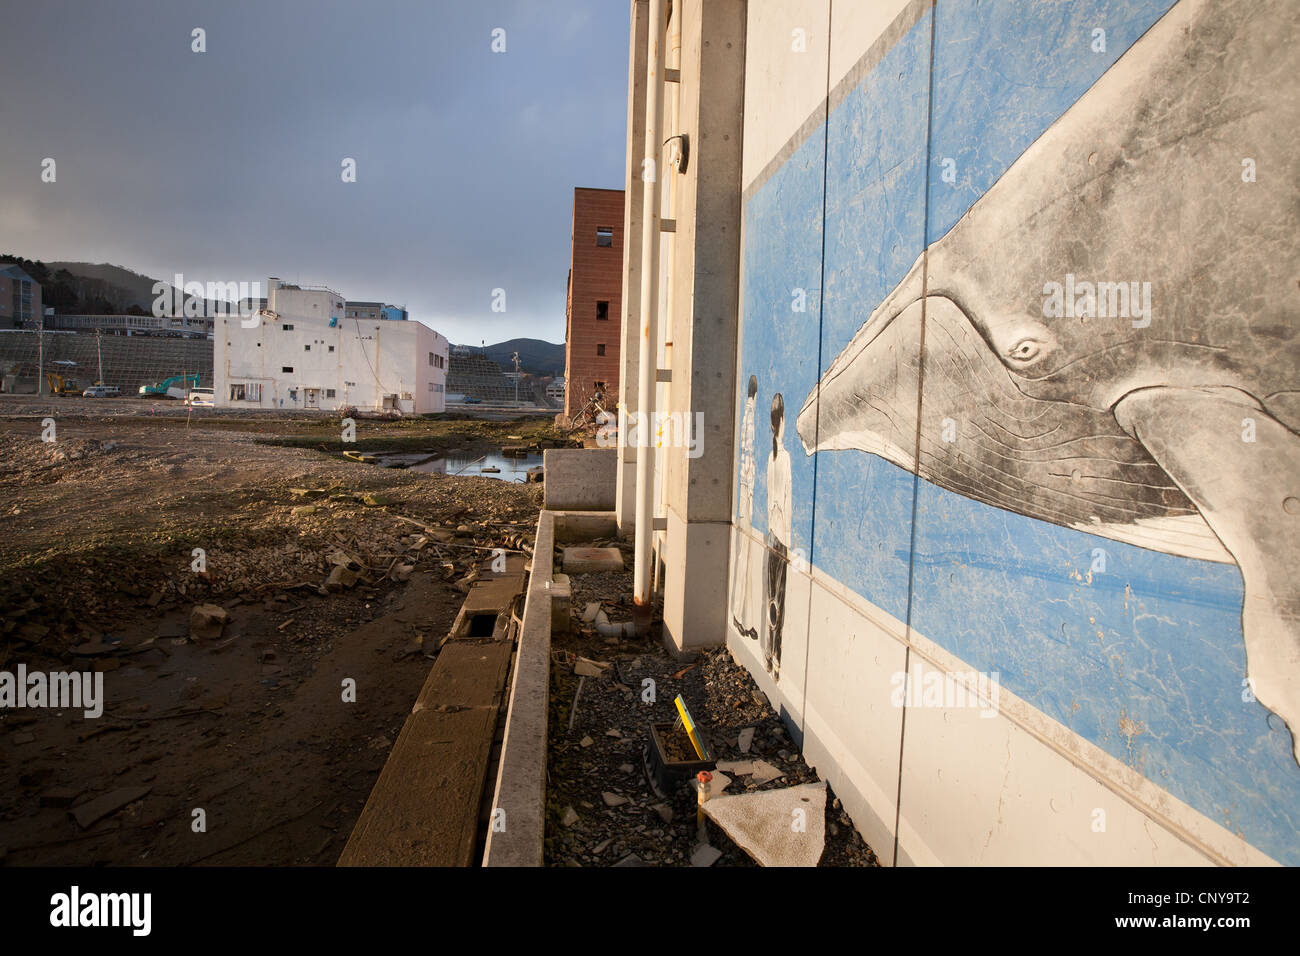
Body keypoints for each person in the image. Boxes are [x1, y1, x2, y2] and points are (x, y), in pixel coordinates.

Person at [764, 392, 792, 680]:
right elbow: (788, 501)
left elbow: (770, 498)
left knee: (771, 598)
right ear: (781, 421)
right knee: (778, 601)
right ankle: (776, 655)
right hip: (782, 537)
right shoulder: (783, 457)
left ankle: (769, 656)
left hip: (771, 534)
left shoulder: (770, 458)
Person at [731, 376, 759, 639]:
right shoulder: (749, 418)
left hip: (746, 492)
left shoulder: (746, 417)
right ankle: (740, 616)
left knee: (746, 555)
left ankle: (743, 617)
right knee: (745, 555)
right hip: (746, 492)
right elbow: (749, 457)